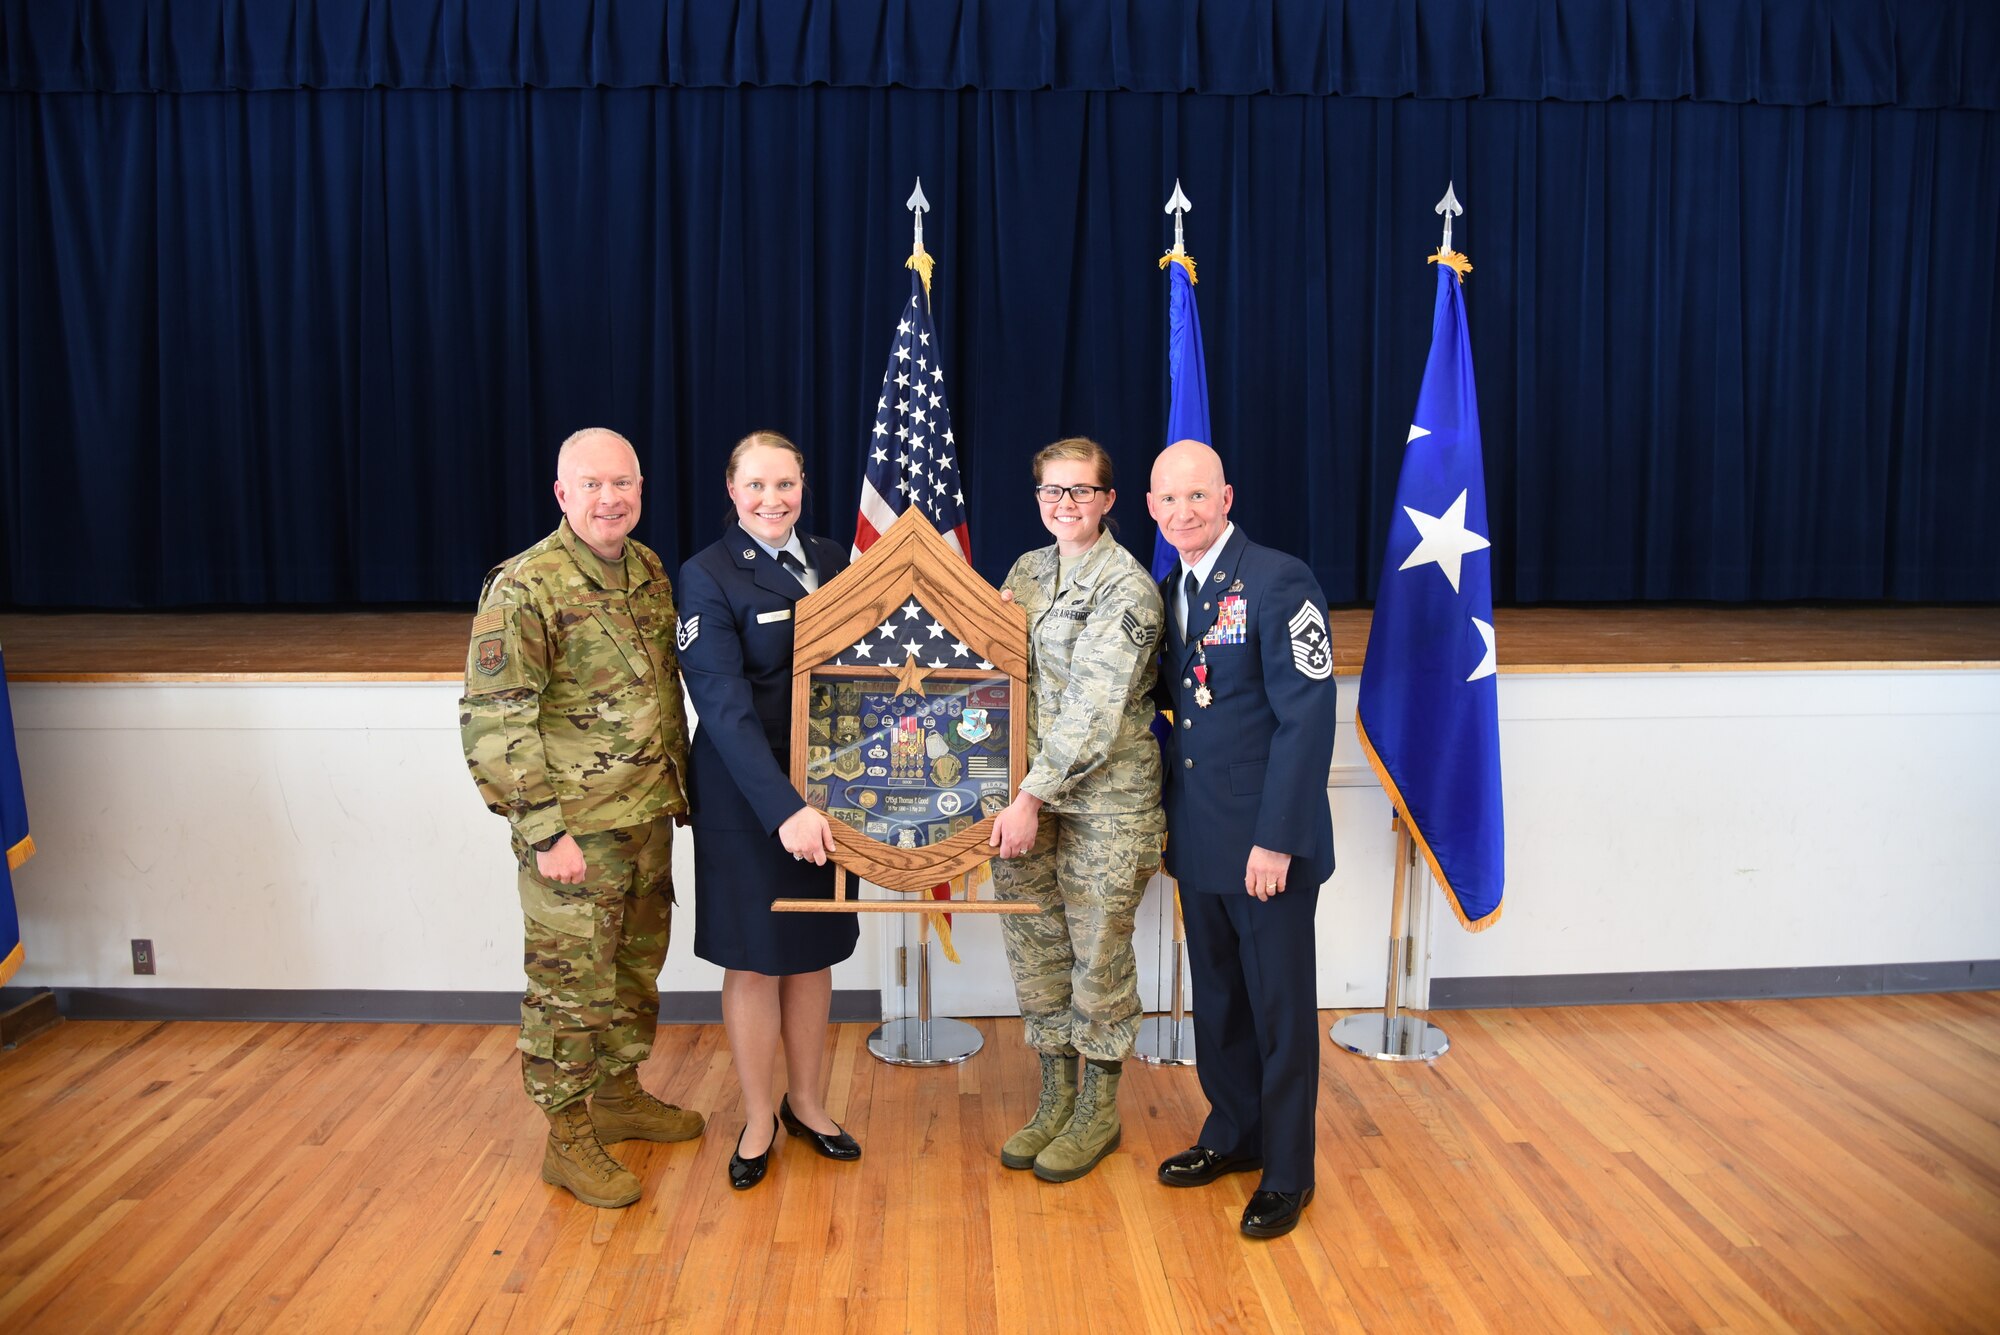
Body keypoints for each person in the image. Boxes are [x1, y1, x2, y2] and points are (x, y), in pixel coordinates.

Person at [460, 427, 706, 1211]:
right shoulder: (526, 584)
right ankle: (566, 1138)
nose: (612, 498)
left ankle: (619, 1093)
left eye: (624, 483)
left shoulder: (648, 570)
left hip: (646, 817)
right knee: (570, 988)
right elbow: (496, 719)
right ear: (563, 494)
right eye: (593, 484)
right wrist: (543, 832)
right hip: (574, 830)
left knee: (633, 971)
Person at [1146, 438, 1338, 1239]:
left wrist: (1278, 840)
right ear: (1152, 509)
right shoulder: (1169, 590)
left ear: (1228, 496)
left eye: (1198, 496)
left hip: (1266, 847)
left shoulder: (1278, 580)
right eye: (1169, 500)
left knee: (1280, 1010)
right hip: (1199, 835)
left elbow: (1307, 716)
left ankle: (1289, 1171)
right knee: (1219, 1000)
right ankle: (1233, 1131)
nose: (1183, 511)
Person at [675, 430, 863, 1192]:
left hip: (830, 790)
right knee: (754, 959)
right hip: (747, 801)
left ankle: (809, 1104)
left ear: (803, 483)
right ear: (731, 488)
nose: (772, 499)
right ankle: (758, 1116)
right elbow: (723, 708)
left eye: (784, 483)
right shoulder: (707, 575)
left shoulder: (834, 558)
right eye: (756, 485)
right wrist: (784, 808)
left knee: (810, 954)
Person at [988, 437, 1166, 1183]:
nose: (1066, 505)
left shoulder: (1128, 589)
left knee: (1097, 960)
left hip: (1102, 805)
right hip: (1028, 799)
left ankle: (1098, 1108)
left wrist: (1027, 796)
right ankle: (1055, 1095)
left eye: (1081, 492)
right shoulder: (1027, 571)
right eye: (1052, 492)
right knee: (1038, 954)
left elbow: (1093, 713)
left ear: (1109, 499)